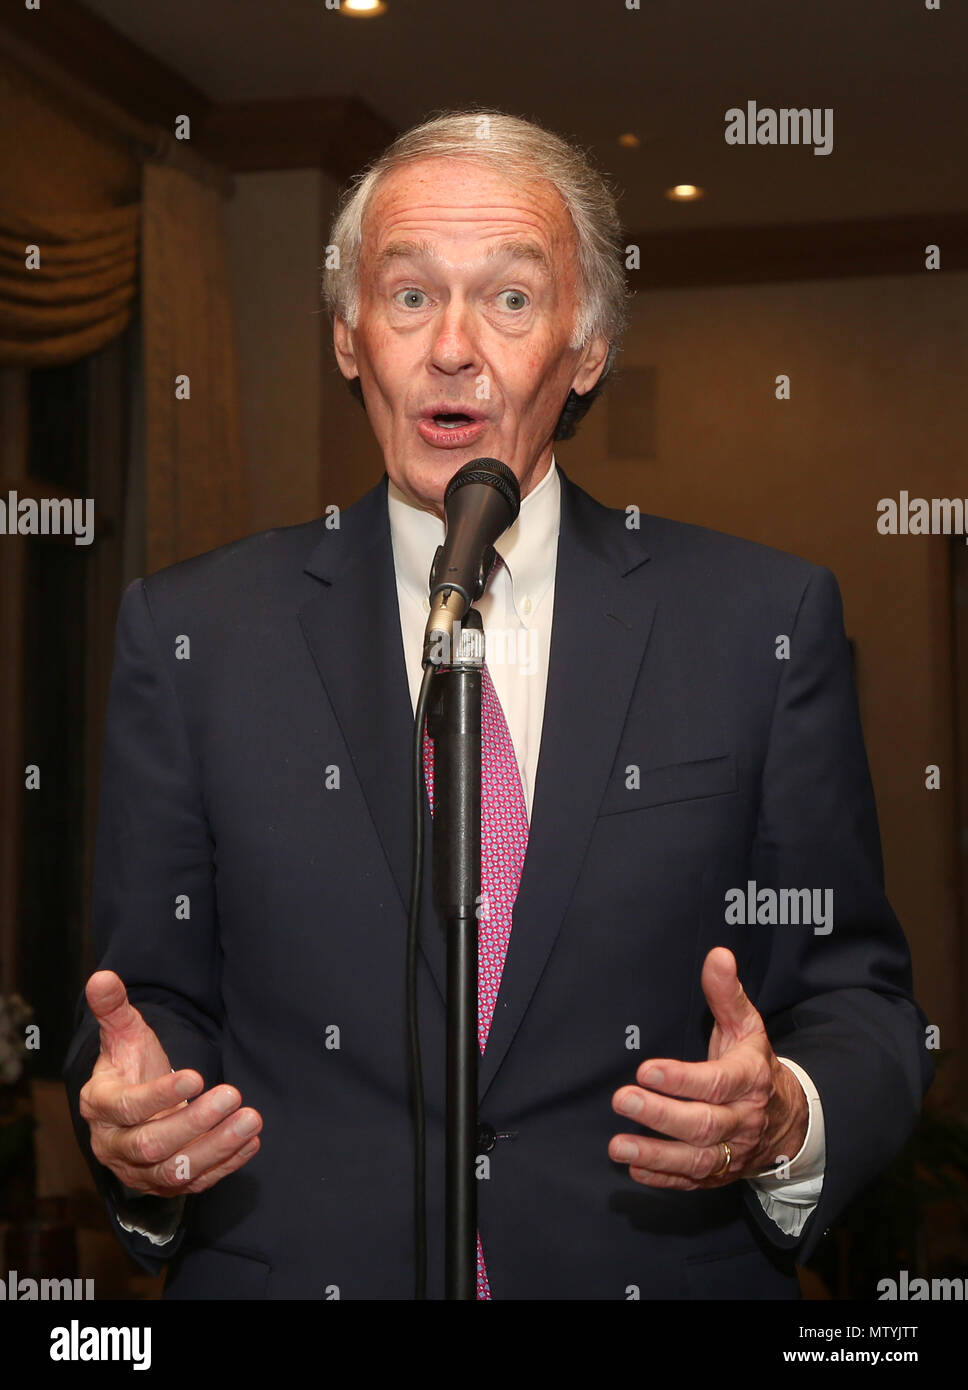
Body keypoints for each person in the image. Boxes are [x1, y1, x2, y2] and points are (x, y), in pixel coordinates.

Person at [64, 109, 932, 1300]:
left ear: (584, 348)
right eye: (407, 296)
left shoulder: (759, 624)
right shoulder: (189, 632)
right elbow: (149, 1001)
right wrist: (136, 1128)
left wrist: (785, 1115)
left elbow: (854, 997)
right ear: (346, 337)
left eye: (511, 300)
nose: (454, 347)